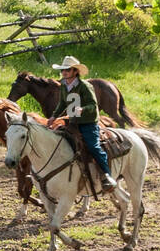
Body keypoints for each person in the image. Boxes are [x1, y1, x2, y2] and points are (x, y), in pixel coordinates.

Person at [45, 56, 117, 191]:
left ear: (75, 71)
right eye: (63, 70)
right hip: (72, 122)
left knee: (93, 146)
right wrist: (54, 116)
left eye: (67, 70)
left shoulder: (85, 86)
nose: (64, 72)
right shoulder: (64, 86)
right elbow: (62, 103)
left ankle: (106, 175)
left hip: (88, 122)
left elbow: (93, 104)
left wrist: (83, 109)